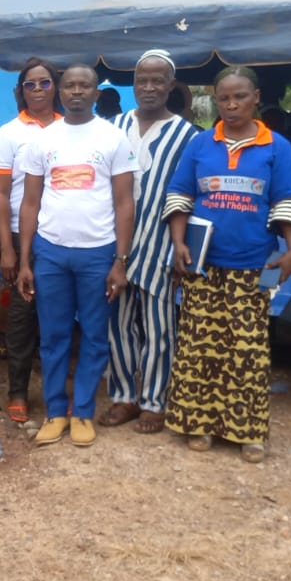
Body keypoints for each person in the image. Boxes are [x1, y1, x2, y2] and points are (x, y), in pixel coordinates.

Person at [163, 66, 291, 462]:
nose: (231, 104)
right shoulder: (201, 144)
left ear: (256, 97)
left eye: (239, 96)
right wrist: (177, 243)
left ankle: (248, 432)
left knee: (248, 347)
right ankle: (199, 425)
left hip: (255, 263)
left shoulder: (276, 146)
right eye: (224, 98)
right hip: (204, 263)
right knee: (199, 346)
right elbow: (180, 194)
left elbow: (287, 199)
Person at [17, 64, 137, 447]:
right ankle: (55, 412)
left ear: (96, 93)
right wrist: (24, 260)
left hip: (98, 253)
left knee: (95, 336)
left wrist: (120, 260)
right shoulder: (43, 139)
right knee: (53, 337)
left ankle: (82, 411)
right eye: (69, 85)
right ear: (59, 92)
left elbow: (124, 202)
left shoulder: (113, 138)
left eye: (84, 86)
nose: (76, 92)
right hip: (50, 252)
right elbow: (30, 202)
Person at [104, 49, 199, 433]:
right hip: (114, 241)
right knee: (118, 323)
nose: (148, 87)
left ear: (170, 86)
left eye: (157, 81)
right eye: (142, 79)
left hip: (160, 241)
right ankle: (124, 396)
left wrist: (182, 246)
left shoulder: (187, 135)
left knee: (160, 327)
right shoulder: (112, 126)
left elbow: (191, 195)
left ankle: (155, 401)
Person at [0, 57, 62, 423]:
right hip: (21, 234)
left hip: (63, 235)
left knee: (59, 317)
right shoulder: (8, 134)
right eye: (30, 84)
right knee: (21, 315)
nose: (37, 90)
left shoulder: (73, 129)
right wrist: (7, 248)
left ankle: (56, 392)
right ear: (21, 90)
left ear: (56, 86)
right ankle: (18, 391)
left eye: (44, 83)